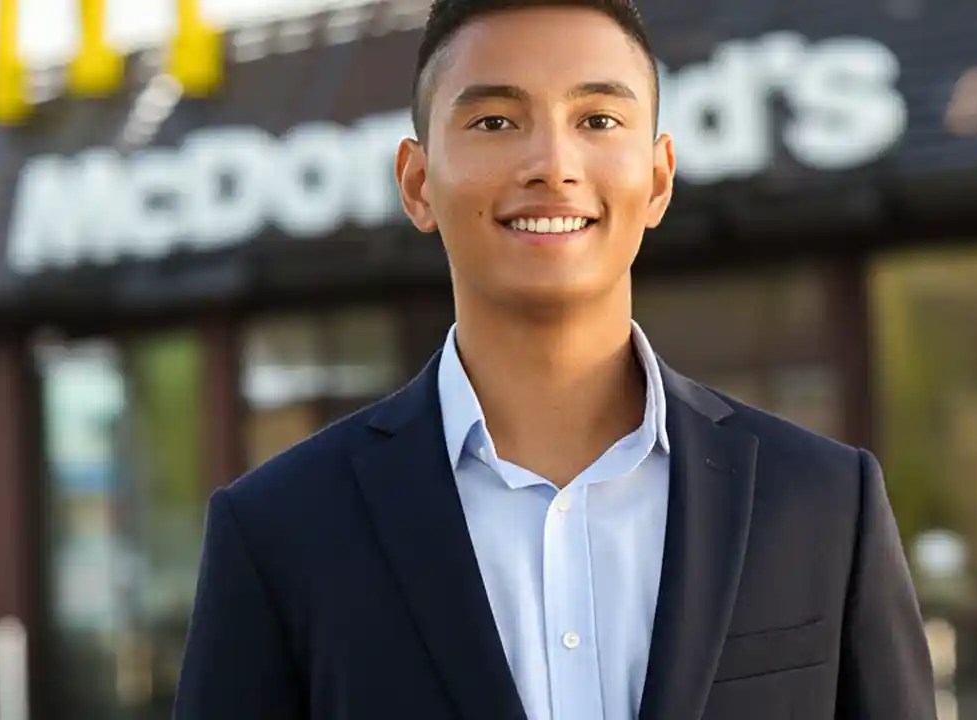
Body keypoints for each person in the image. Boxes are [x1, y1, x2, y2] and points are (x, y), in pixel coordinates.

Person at [173, 0, 937, 716]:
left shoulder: (825, 504)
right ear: (416, 182)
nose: (552, 163)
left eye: (598, 118)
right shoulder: (280, 530)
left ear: (659, 177)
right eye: (497, 120)